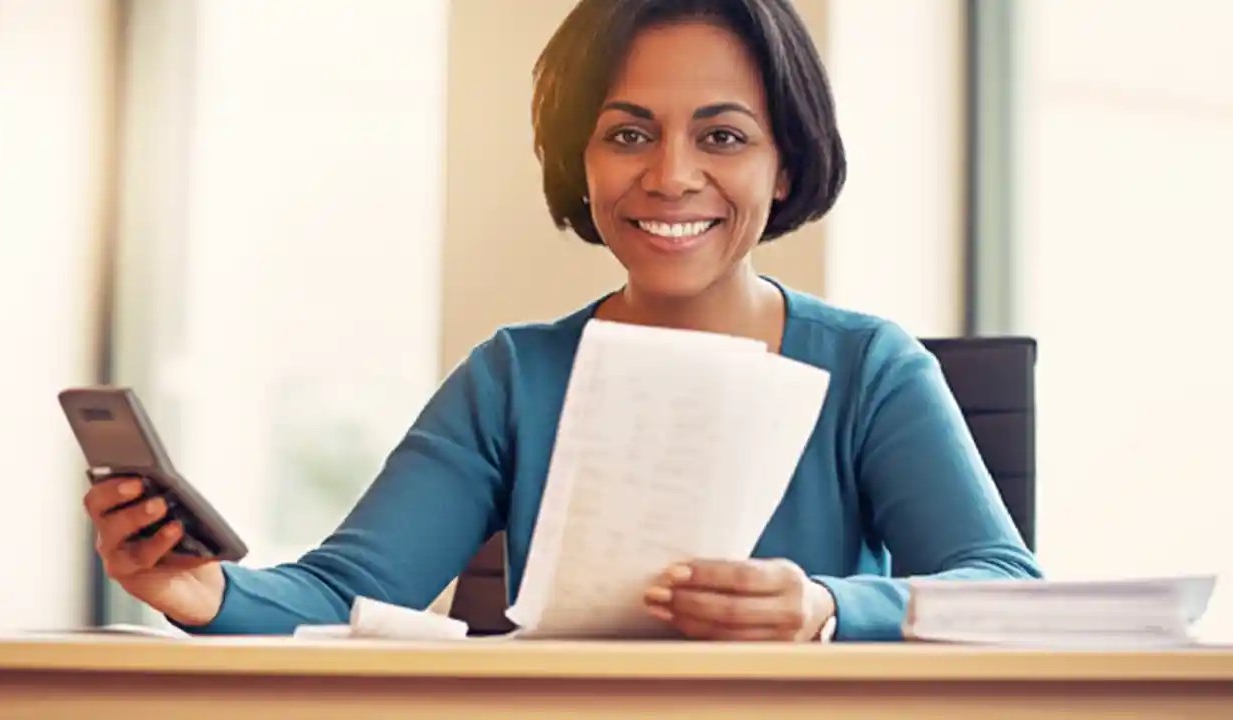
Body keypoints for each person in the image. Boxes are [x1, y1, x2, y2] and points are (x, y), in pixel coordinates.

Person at [81, 0, 1041, 643]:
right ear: (580, 161)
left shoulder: (871, 368)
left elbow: (1007, 586)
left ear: (782, 165)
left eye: (723, 136)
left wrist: (828, 608)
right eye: (628, 134)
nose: (670, 175)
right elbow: (347, 595)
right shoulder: (513, 378)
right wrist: (198, 590)